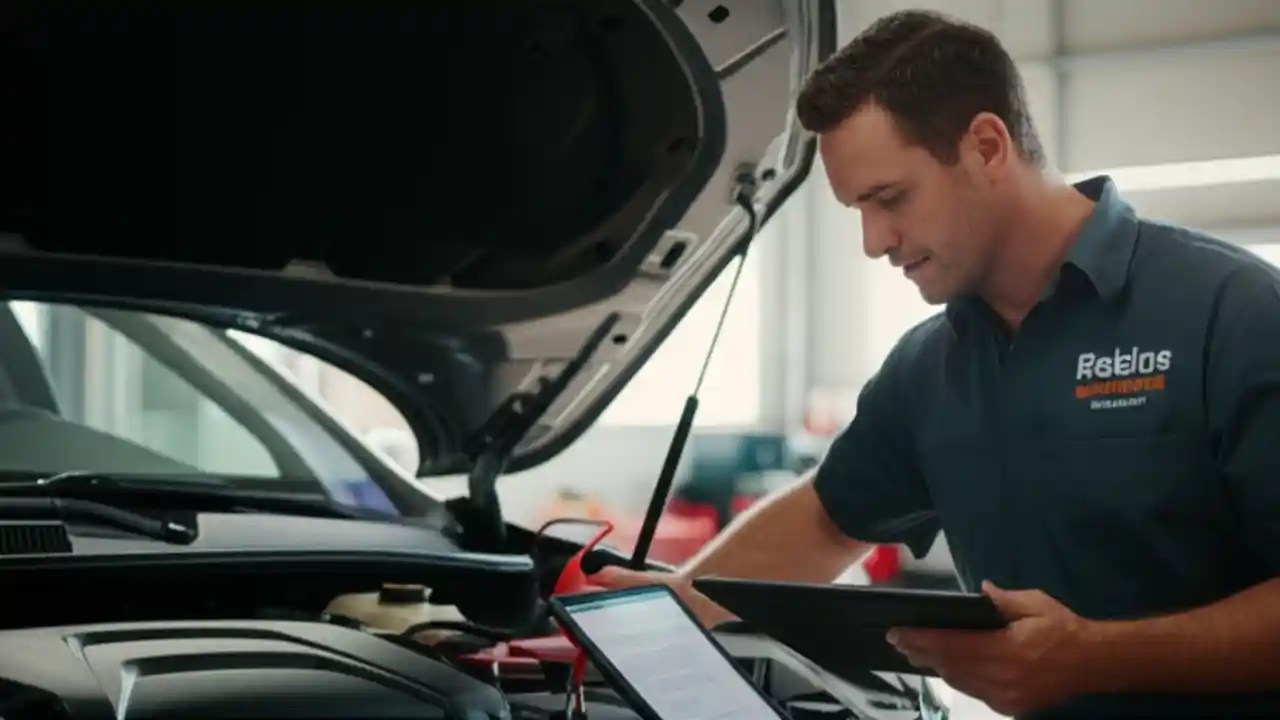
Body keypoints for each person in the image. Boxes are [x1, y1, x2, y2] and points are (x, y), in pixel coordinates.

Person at [589, 9, 1280, 719]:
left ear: (985, 145)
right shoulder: (929, 370)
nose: (873, 241)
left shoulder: (1232, 314)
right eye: (857, 208)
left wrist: (1099, 656)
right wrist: (685, 599)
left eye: (890, 199)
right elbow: (829, 518)